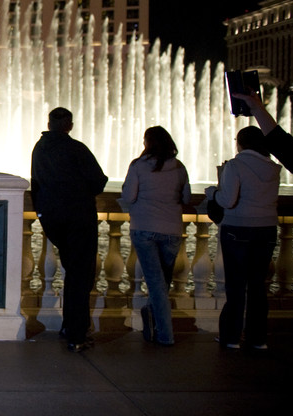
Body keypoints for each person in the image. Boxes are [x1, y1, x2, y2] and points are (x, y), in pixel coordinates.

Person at [31, 107, 108, 352]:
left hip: (53, 220)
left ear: (49, 123)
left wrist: (43, 212)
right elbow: (98, 181)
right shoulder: (76, 149)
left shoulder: (39, 149)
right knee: (80, 275)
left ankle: (70, 326)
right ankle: (76, 333)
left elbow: (36, 184)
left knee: (71, 270)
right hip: (79, 219)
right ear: (70, 125)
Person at [205, 126, 280, 350]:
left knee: (236, 286)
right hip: (267, 229)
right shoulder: (274, 168)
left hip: (238, 229)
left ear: (240, 143)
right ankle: (258, 339)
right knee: (258, 286)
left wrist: (211, 193)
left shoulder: (236, 166)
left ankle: (231, 336)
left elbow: (227, 200)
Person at [120, 126, 191, 346]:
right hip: (172, 231)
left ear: (147, 143)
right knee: (162, 282)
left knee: (156, 284)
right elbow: (186, 198)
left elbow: (129, 196)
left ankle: (165, 335)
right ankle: (152, 321)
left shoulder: (138, 166)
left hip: (144, 229)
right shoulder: (179, 167)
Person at [232, 91, 293, 175]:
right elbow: (286, 148)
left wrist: (257, 109)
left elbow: (285, 148)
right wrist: (257, 109)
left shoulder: (233, 166)